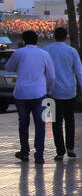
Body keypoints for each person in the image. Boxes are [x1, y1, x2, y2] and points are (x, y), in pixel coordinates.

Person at [10, 30, 56, 163]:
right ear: (37, 40)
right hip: (39, 93)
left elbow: (8, 66)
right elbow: (51, 76)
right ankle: (39, 155)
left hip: (21, 94)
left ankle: (24, 151)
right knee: (40, 124)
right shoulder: (44, 54)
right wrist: (49, 91)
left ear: (23, 40)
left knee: (23, 122)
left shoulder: (18, 53)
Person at [46, 26, 82, 160]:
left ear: (54, 36)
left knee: (55, 121)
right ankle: (70, 148)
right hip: (70, 91)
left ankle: (59, 151)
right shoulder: (72, 51)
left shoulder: (47, 50)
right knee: (70, 120)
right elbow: (79, 72)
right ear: (66, 37)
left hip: (52, 92)